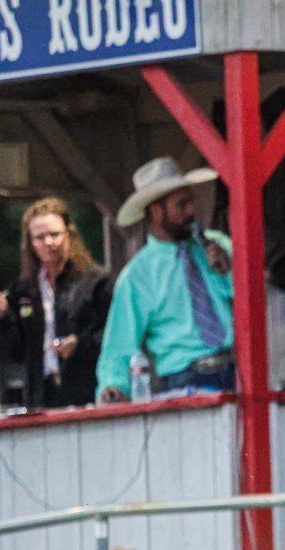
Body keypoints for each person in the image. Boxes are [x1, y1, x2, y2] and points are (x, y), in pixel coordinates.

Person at [96, 156, 235, 402]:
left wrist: (230, 272)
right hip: (184, 379)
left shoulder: (218, 245)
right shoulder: (137, 276)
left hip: (236, 369)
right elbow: (119, 345)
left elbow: (256, 305)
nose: (192, 211)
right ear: (155, 212)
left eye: (191, 201)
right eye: (181, 205)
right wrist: (113, 386)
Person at [0, 197, 110, 409]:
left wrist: (79, 343)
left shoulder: (96, 281)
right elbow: (15, 353)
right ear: (31, 244)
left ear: (69, 235)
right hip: (41, 393)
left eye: (54, 234)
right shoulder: (23, 289)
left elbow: (111, 334)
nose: (48, 243)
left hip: (87, 388)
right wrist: (0, 318)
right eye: (39, 237)